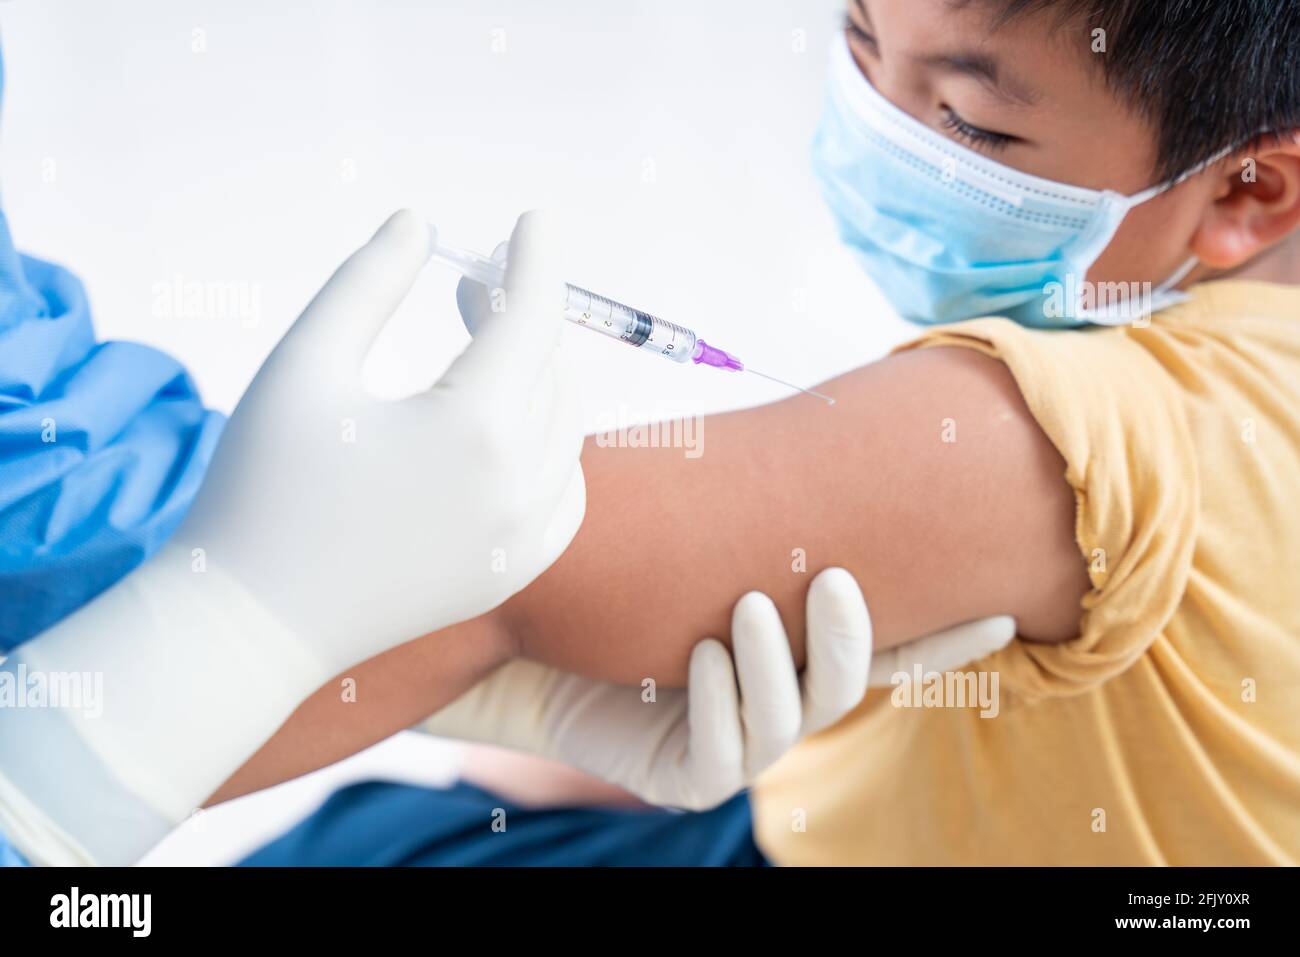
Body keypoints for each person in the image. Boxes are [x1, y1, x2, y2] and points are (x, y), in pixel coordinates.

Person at [228, 0, 1300, 866]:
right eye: (859, 37)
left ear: (1250, 187)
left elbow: (439, 585)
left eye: (970, 122)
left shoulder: (1039, 437)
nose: (877, 132)